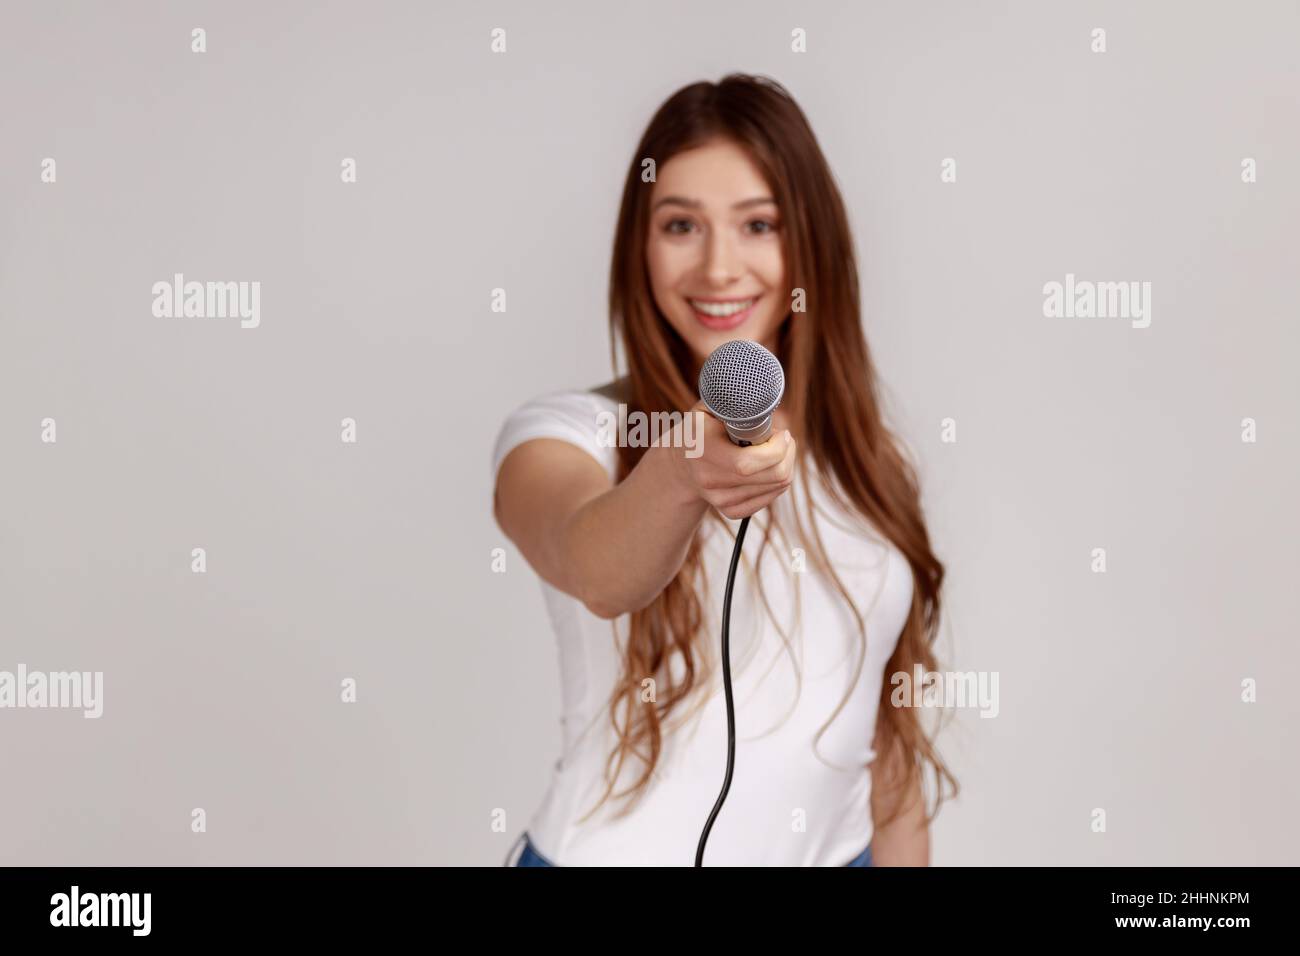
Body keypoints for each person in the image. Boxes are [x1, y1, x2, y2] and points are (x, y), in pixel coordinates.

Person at [491, 73, 956, 867]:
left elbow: (887, 748)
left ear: (811, 243)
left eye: (758, 224)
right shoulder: (562, 437)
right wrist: (679, 475)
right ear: (639, 246)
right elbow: (594, 566)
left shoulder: (875, 461)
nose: (718, 268)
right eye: (680, 225)